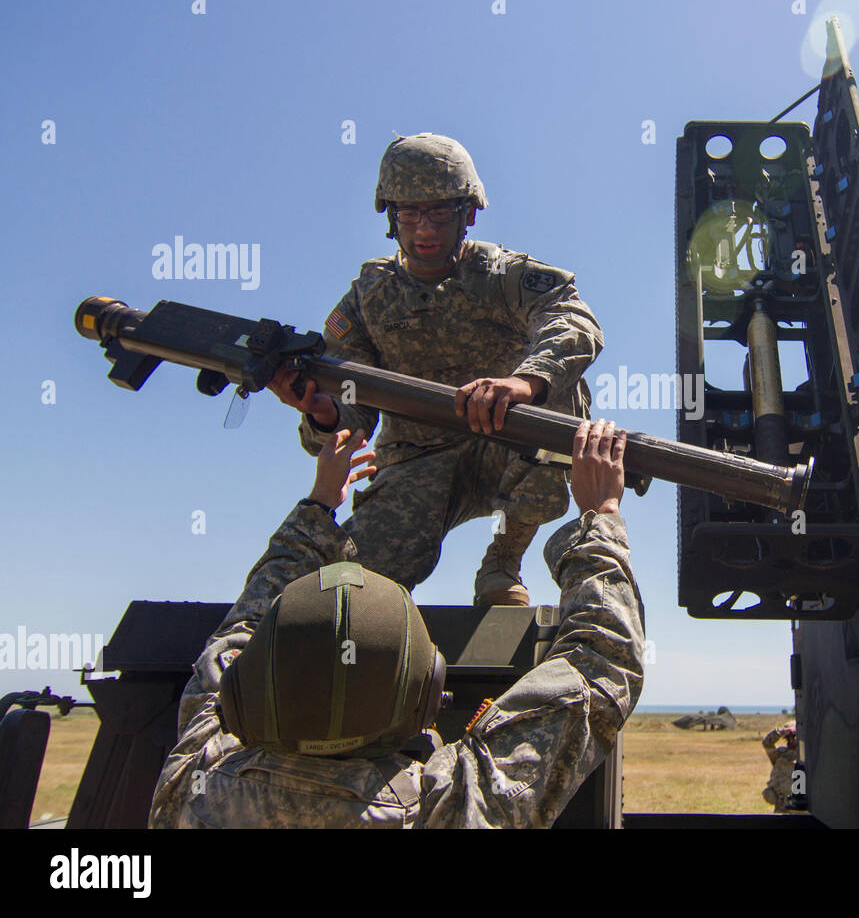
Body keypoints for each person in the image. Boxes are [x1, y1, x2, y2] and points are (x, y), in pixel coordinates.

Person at [149, 418, 642, 828]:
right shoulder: (445, 808)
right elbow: (602, 659)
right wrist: (600, 511)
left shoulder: (192, 782)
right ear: (427, 696)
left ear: (246, 685)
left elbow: (243, 624)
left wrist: (319, 506)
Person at [269, 132, 603, 606]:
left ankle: (504, 559)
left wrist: (523, 382)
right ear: (391, 217)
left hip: (508, 440)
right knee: (344, 592)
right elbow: (350, 413)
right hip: (417, 459)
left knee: (563, 393)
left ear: (467, 214)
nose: (424, 228)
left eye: (440, 212)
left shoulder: (501, 274)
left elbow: (574, 321)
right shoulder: (370, 296)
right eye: (409, 212)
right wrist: (323, 413)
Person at [761, 721, 799, 812]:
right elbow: (767, 744)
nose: (791, 740)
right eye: (788, 737)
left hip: (800, 807)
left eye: (794, 737)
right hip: (781, 807)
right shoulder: (780, 755)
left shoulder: (807, 756)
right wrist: (781, 732)